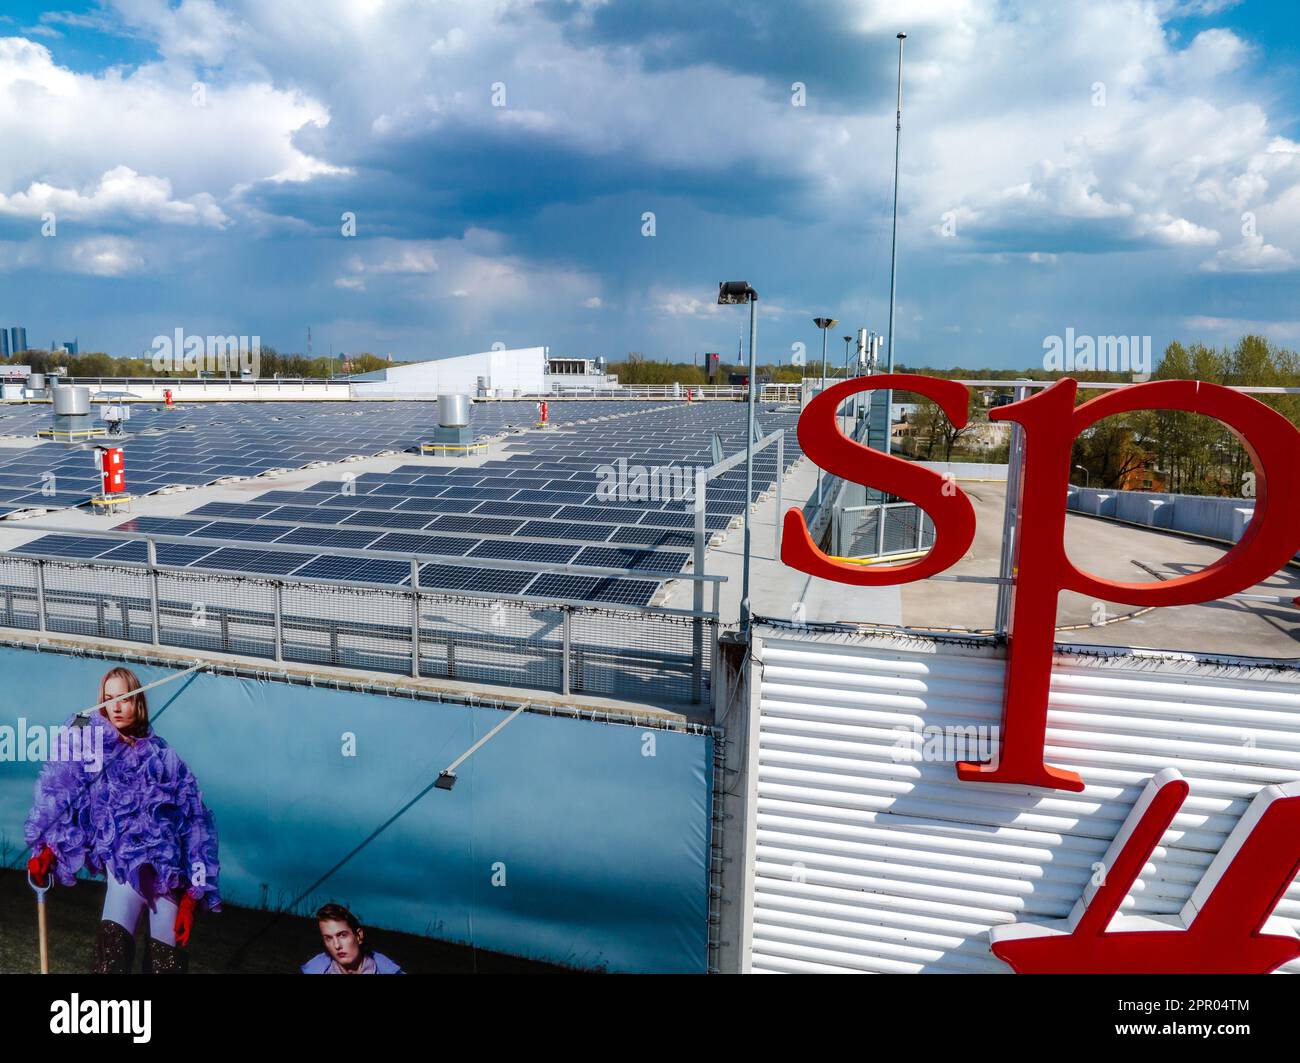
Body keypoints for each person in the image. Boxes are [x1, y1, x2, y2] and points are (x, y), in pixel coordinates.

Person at [25, 666, 220, 974]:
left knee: (166, 967)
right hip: (124, 874)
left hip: (168, 881)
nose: (115, 707)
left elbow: (196, 825)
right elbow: (64, 788)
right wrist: (48, 847)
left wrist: (192, 897)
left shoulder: (165, 757)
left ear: (138, 702)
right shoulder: (90, 745)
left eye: (124, 698)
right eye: (108, 698)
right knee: (110, 959)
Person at [301, 904, 404, 974]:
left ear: (358, 936)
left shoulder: (386, 970)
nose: (337, 945)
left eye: (342, 935)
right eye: (328, 938)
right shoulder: (316, 970)